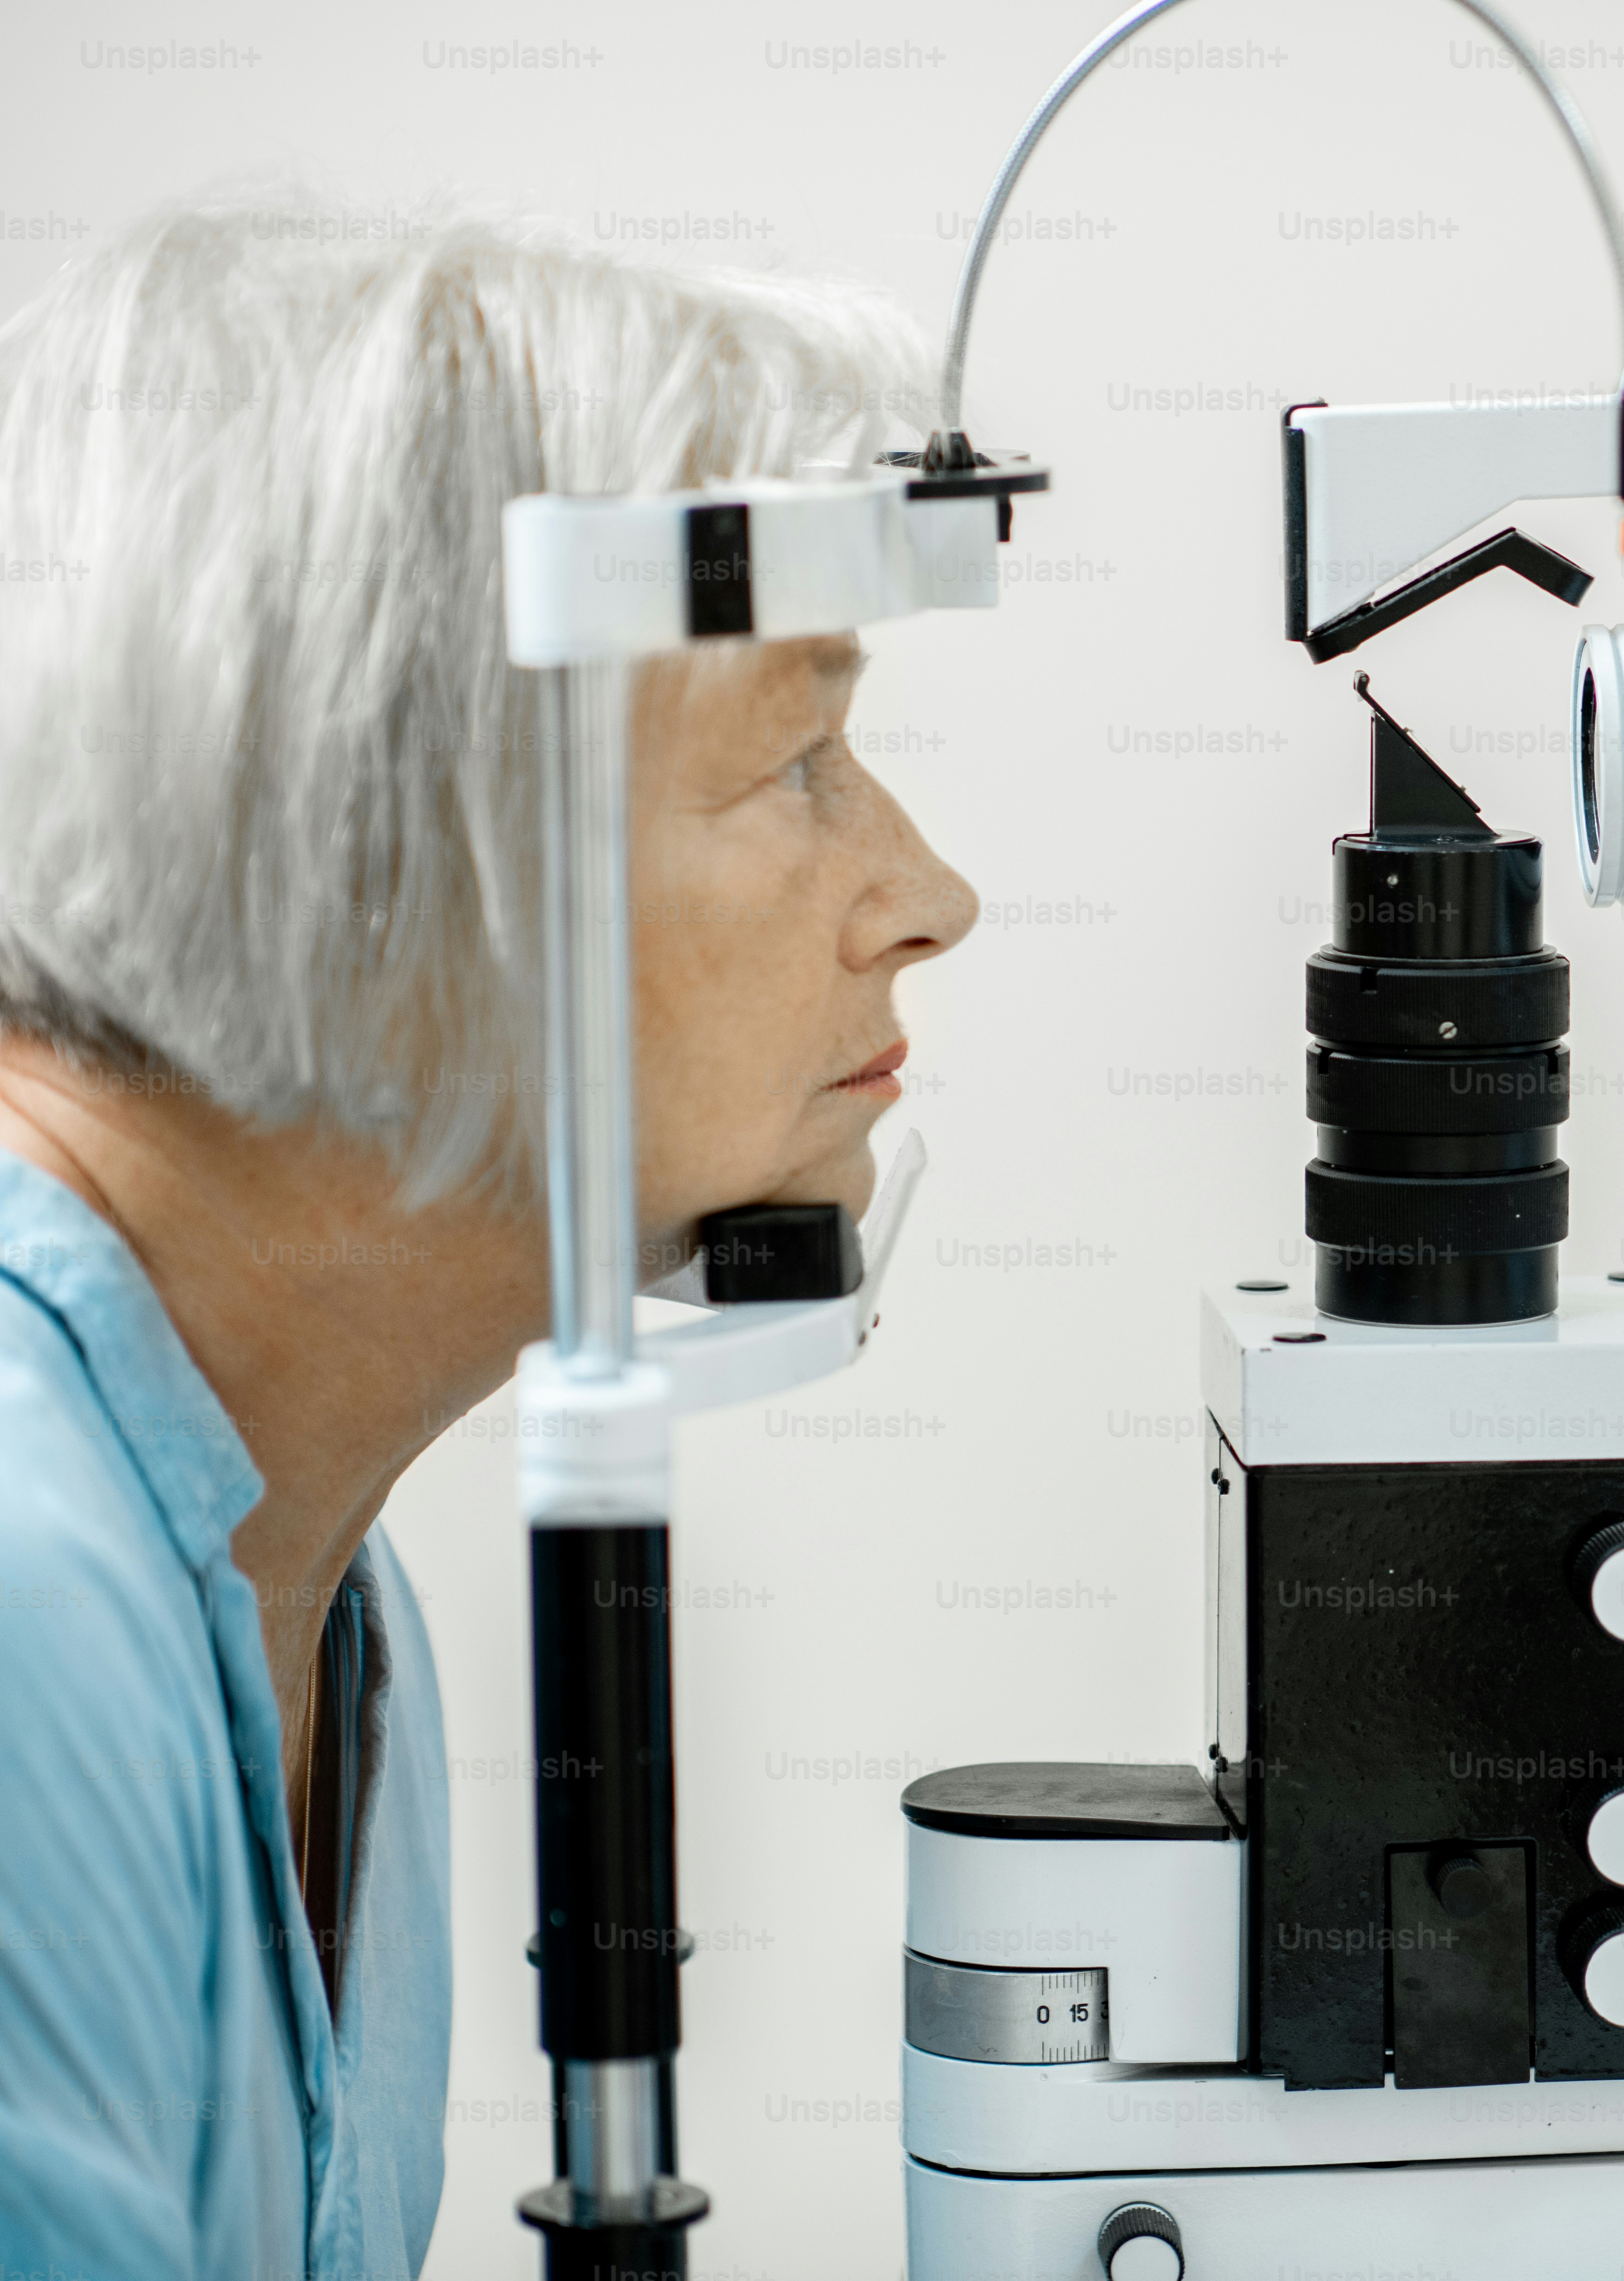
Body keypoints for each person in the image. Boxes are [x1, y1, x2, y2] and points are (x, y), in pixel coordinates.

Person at [0, 202, 978, 2276]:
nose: (925, 893)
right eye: (795, 755)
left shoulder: (314, 1591)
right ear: (382, 836)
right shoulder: (23, 1610)